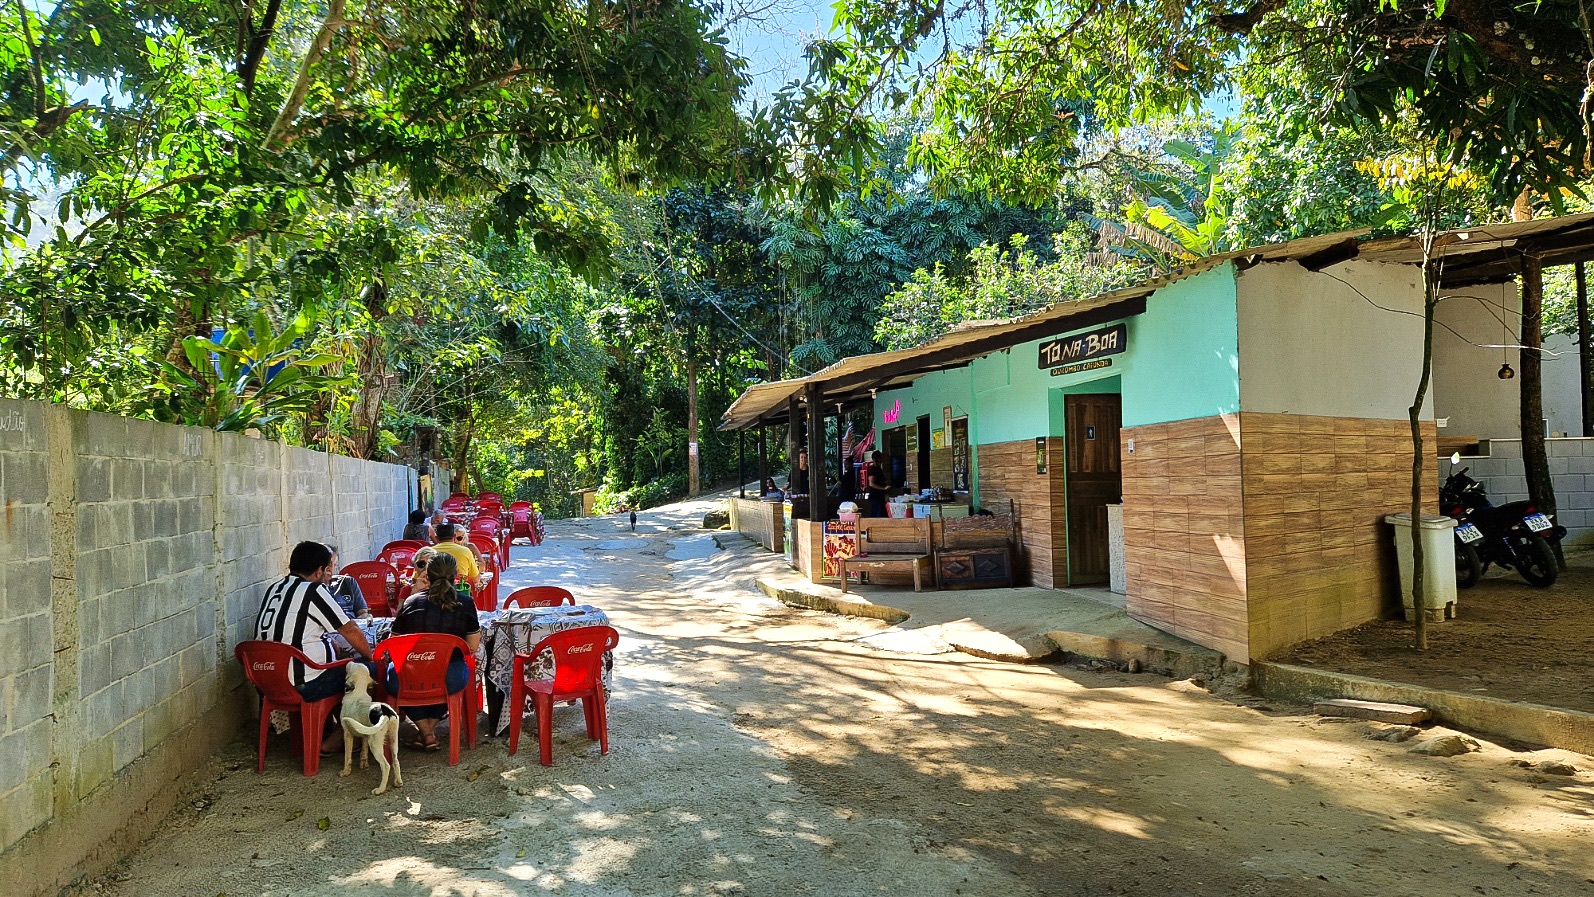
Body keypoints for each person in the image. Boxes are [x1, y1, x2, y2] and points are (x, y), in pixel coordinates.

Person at [253, 540, 376, 754]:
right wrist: (370, 657)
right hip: (300, 683)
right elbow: (350, 630)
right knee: (365, 672)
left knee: (341, 667)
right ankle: (337, 740)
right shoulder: (312, 591)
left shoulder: (275, 588)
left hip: (267, 681)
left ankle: (330, 727)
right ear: (320, 570)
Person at [387, 553, 482, 752]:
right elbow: (472, 647)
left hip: (407, 677)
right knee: (449, 680)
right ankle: (428, 732)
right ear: (456, 577)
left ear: (427, 576)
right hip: (449, 677)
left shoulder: (411, 603)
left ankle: (425, 732)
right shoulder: (465, 603)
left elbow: (392, 643)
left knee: (395, 678)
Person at [321, 546, 371, 620]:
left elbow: (363, 612)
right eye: (327, 564)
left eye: (333, 564)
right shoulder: (312, 589)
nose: (329, 568)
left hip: (353, 626)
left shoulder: (347, 582)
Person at [866, 451, 890, 518]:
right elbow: (871, 483)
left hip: (879, 496)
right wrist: (883, 488)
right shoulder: (874, 469)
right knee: (877, 514)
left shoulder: (878, 469)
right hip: (876, 497)